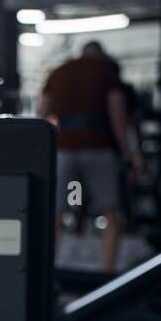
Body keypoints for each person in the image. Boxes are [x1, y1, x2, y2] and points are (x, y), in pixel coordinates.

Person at [37, 40, 144, 274]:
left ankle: (47, 268)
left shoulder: (59, 73)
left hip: (64, 149)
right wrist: (129, 156)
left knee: (54, 212)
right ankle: (107, 271)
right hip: (99, 149)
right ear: (101, 55)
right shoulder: (108, 73)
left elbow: (41, 113)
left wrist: (42, 150)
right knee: (110, 212)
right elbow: (118, 118)